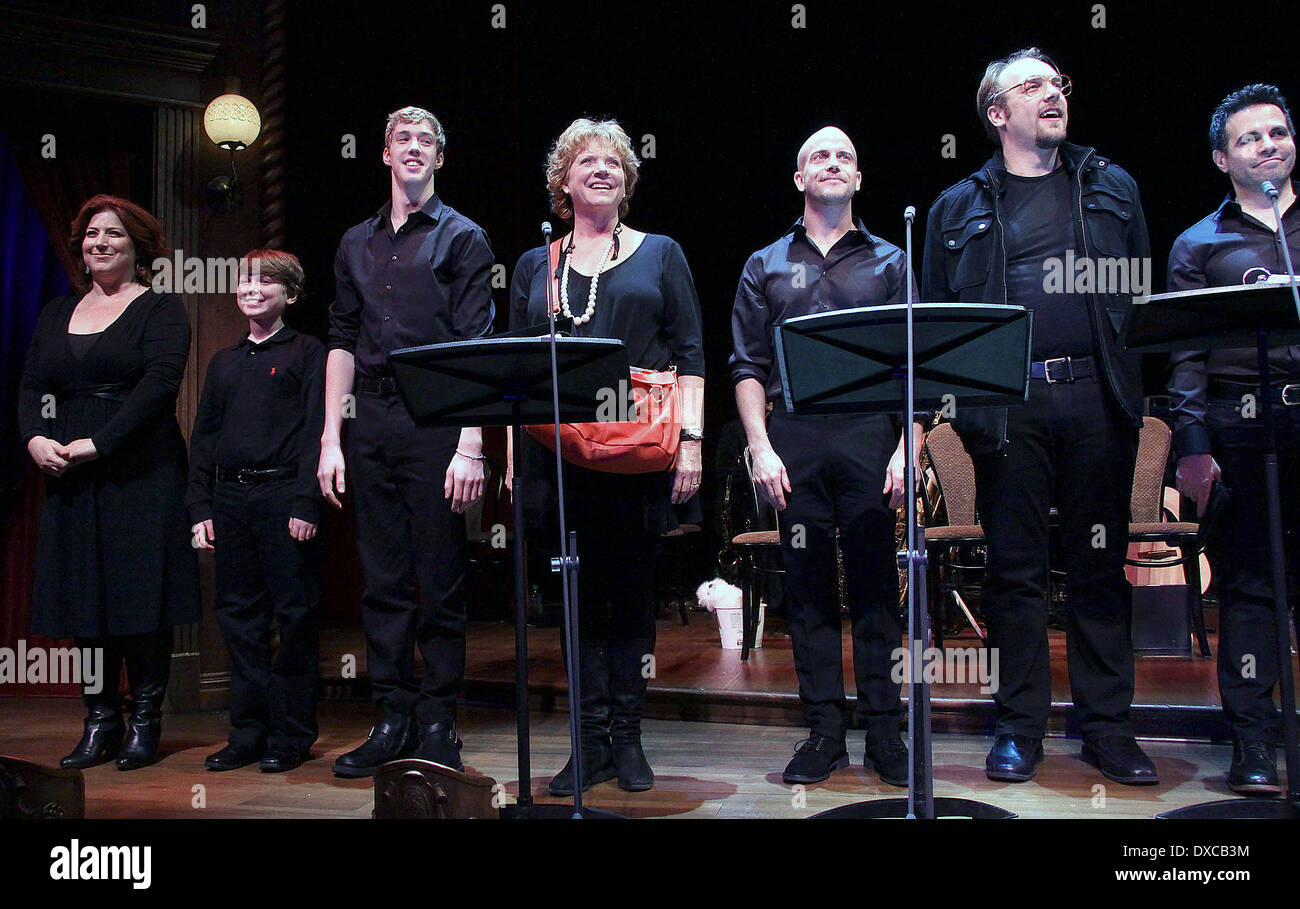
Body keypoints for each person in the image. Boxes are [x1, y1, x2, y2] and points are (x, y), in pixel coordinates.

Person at [923, 47, 1156, 785]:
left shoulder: (1111, 184)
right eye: (1032, 86)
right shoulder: (957, 206)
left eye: (1057, 83)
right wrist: (956, 414)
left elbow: (1141, 303)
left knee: (1097, 568)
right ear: (997, 113)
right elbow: (939, 321)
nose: (1051, 94)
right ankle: (1020, 725)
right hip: (1006, 408)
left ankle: (1108, 727)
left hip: (1096, 400)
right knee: (1015, 574)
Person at [509, 117, 705, 794]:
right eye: (585, 161)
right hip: (556, 459)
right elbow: (515, 367)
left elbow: (691, 357)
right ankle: (586, 741)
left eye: (614, 163)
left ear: (627, 181)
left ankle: (628, 736)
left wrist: (694, 442)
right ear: (562, 182)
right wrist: (512, 450)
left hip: (636, 456)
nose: (601, 170)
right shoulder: (536, 262)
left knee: (629, 598)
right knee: (572, 601)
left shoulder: (662, 252)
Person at [730, 126, 920, 786]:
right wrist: (759, 446)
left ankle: (886, 732)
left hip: (871, 432)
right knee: (806, 590)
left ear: (858, 179)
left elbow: (916, 364)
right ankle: (824, 732)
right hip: (796, 436)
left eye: (845, 156)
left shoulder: (893, 261)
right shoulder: (765, 263)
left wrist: (908, 445)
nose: (833, 163)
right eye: (819, 156)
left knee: (875, 588)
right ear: (800, 178)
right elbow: (748, 365)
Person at [320, 106, 493, 777]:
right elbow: (340, 339)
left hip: (437, 423)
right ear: (385, 154)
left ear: (439, 159)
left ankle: (437, 718)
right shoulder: (355, 242)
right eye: (403, 139)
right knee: (383, 578)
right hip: (369, 422)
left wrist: (472, 445)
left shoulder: (464, 238)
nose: (414, 147)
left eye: (427, 140)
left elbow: (476, 348)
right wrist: (330, 438)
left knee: (438, 577)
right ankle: (391, 714)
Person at [18, 194, 199, 771]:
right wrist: (34, 438)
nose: (99, 242)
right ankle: (100, 720)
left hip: (140, 469)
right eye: (92, 233)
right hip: (70, 470)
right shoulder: (54, 313)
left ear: (138, 248)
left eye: (113, 234)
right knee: (85, 596)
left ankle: (145, 720)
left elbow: (159, 387)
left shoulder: (162, 311)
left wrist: (103, 442)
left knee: (140, 597)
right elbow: (30, 386)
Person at [1167, 83, 1300, 796]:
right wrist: (1191, 443)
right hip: (1242, 427)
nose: (1267, 145)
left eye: (1277, 132)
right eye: (1250, 138)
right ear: (1224, 157)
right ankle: (1254, 741)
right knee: (1249, 589)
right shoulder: (1197, 243)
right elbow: (1184, 353)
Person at [187, 249, 324, 773]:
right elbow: (204, 439)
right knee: (239, 621)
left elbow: (316, 432)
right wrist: (200, 506)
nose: (252, 287)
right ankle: (247, 731)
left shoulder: (308, 352)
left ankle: (291, 734)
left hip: (283, 497)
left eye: (266, 280)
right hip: (230, 502)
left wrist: (306, 501)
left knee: (293, 618)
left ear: (289, 294)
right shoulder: (224, 362)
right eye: (246, 279)